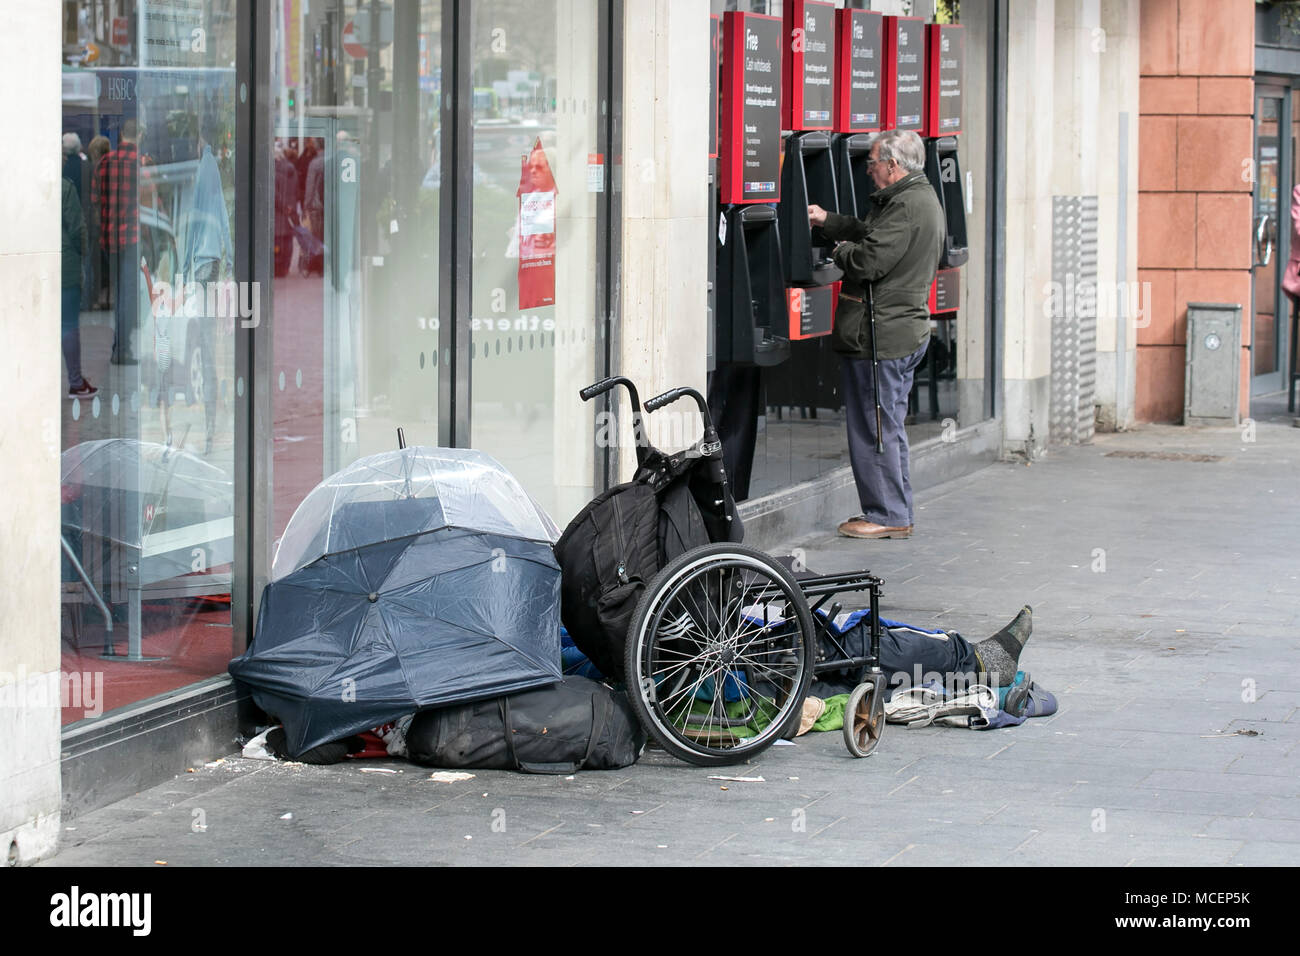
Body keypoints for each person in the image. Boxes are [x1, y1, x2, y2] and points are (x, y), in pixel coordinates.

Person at [808, 129, 944, 539]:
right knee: (888, 426)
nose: (868, 171)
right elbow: (873, 235)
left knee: (876, 429)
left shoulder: (905, 206)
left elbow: (868, 260)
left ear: (892, 164)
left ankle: (886, 515)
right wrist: (828, 221)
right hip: (899, 331)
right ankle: (893, 509)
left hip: (881, 337)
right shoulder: (914, 198)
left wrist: (838, 251)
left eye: (872, 164)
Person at [181, 117, 233, 455]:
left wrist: (186, 261)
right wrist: (228, 256)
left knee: (204, 340)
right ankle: (213, 421)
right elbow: (222, 216)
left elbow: (198, 217)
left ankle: (212, 423)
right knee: (209, 340)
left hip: (203, 264)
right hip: (213, 262)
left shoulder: (205, 166)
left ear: (201, 139)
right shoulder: (214, 168)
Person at [92, 119, 144, 364]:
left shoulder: (104, 163)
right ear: (140, 135)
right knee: (128, 294)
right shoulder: (140, 165)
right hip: (131, 237)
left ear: (121, 134)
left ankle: (119, 345)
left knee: (119, 292)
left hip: (108, 239)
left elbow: (94, 201)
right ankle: (122, 348)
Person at [62, 169, 95, 398]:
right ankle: (75, 382)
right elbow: (77, 227)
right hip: (65, 263)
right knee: (68, 324)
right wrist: (84, 253)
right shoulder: (65, 187)